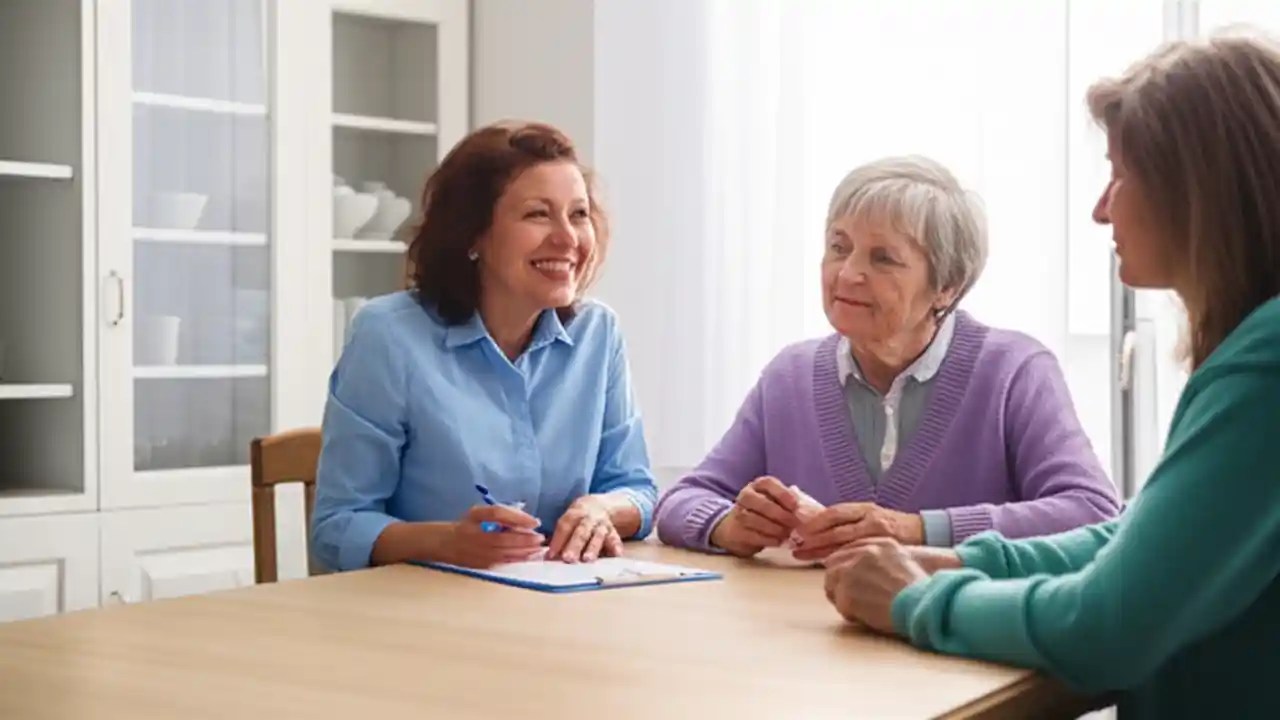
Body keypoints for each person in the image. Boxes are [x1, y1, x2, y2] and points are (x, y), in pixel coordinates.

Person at [824, 34, 1280, 719]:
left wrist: (914, 599)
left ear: (1198, 190)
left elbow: (1107, 627)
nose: (1101, 208)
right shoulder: (1258, 348)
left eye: (1120, 175)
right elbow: (1139, 541)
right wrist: (969, 564)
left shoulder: (1265, 366)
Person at [655, 156, 1120, 560]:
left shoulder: (1014, 371)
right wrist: (728, 525)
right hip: (806, 630)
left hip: (950, 632)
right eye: (839, 247)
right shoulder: (789, 377)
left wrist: (914, 530)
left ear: (947, 287)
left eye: (883, 259)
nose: (848, 273)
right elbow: (682, 500)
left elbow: (1092, 512)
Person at [311, 121, 658, 572]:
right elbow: (337, 526)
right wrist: (445, 542)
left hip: (559, 601)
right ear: (472, 234)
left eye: (578, 214)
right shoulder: (389, 337)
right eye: (538, 214)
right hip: (422, 605)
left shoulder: (598, 333)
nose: (568, 239)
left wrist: (600, 509)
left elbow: (637, 489)